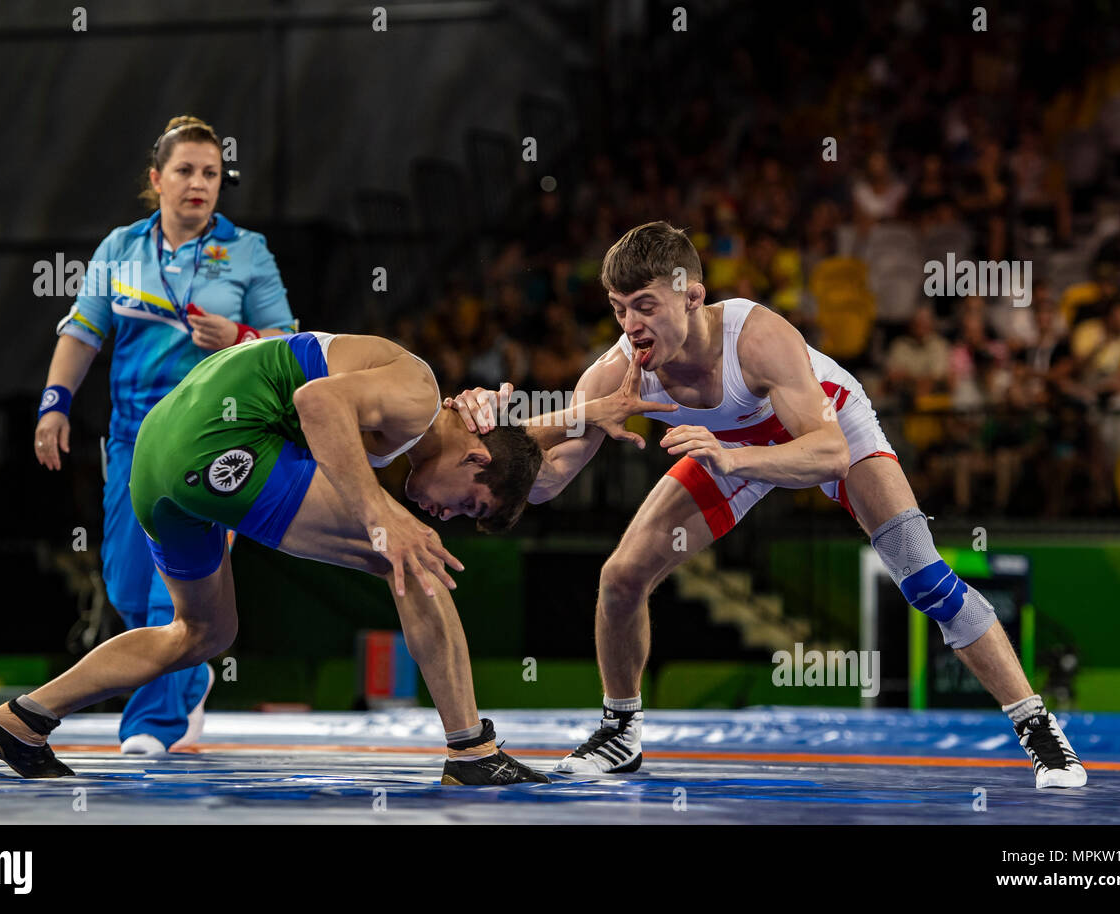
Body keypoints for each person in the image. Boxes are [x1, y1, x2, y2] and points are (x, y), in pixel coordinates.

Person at [448, 222, 1087, 789]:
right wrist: (494, 435)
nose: (631, 327)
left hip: (827, 426)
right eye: (619, 310)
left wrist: (735, 460)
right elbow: (547, 483)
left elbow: (829, 454)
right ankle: (620, 733)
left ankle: (1038, 730)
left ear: (693, 296)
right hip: (729, 447)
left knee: (926, 580)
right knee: (620, 578)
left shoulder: (756, 337)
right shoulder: (619, 373)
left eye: (645, 306)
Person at [0, 329, 665, 784]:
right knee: (415, 559)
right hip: (216, 445)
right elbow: (316, 402)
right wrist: (379, 517)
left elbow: (484, 448)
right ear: (475, 456)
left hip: (160, 462)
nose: (449, 515)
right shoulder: (421, 391)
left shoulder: (437, 425)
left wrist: (576, 418)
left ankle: (24, 720)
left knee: (203, 633)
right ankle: (472, 751)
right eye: (469, 506)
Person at [35, 116, 297, 757]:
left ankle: (151, 727)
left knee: (166, 590)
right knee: (126, 586)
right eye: (184, 171)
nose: (198, 184)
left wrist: (237, 339)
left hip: (219, 440)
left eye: (211, 173)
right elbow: (83, 331)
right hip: (132, 440)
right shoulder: (120, 248)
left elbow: (290, 345)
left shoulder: (248, 252)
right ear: (157, 180)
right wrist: (54, 404)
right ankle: (191, 675)